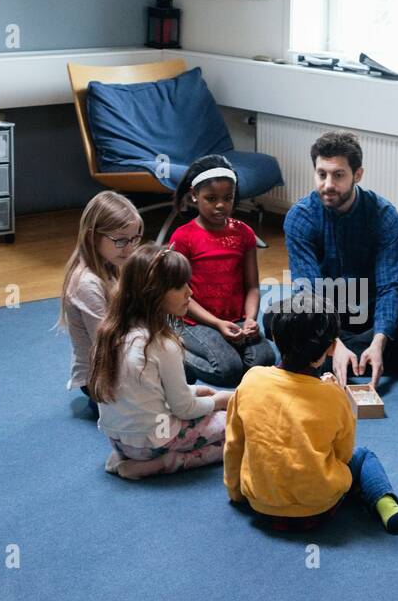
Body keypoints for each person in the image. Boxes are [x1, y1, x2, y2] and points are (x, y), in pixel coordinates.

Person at [225, 293, 398, 533]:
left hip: (261, 504)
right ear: (331, 348)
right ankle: (389, 508)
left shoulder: (251, 380)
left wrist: (236, 492)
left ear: (275, 337)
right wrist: (333, 393)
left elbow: (234, 443)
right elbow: (343, 454)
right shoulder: (334, 397)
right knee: (363, 457)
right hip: (319, 508)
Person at [276, 130, 398, 388]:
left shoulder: (383, 215)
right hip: (325, 312)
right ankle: (371, 355)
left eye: (338, 175)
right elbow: (308, 290)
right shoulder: (300, 217)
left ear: (357, 175)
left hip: (370, 311)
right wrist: (334, 341)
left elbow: (390, 286)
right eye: (321, 174)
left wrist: (379, 339)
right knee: (277, 314)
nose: (328, 184)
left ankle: (351, 354)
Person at [91, 244, 232, 480]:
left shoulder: (111, 332)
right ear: (152, 293)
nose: (190, 292)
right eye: (179, 287)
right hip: (156, 440)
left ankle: (132, 458)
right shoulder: (161, 343)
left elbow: (147, 389)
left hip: (119, 440)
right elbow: (184, 409)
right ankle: (166, 462)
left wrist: (195, 390)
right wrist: (219, 401)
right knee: (240, 426)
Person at [168, 154, 275, 387]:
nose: (220, 205)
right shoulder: (183, 237)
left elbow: (253, 287)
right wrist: (217, 324)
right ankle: (172, 353)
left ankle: (226, 342)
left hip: (235, 318)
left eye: (228, 198)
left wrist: (249, 320)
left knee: (265, 360)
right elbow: (178, 295)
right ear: (194, 196)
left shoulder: (244, 233)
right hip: (195, 321)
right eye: (211, 198)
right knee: (228, 370)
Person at [58, 191, 143, 417]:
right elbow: (108, 345)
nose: (129, 248)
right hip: (101, 377)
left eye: (135, 238)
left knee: (180, 368)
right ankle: (107, 405)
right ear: (91, 237)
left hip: (123, 359)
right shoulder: (87, 283)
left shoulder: (114, 262)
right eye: (121, 240)